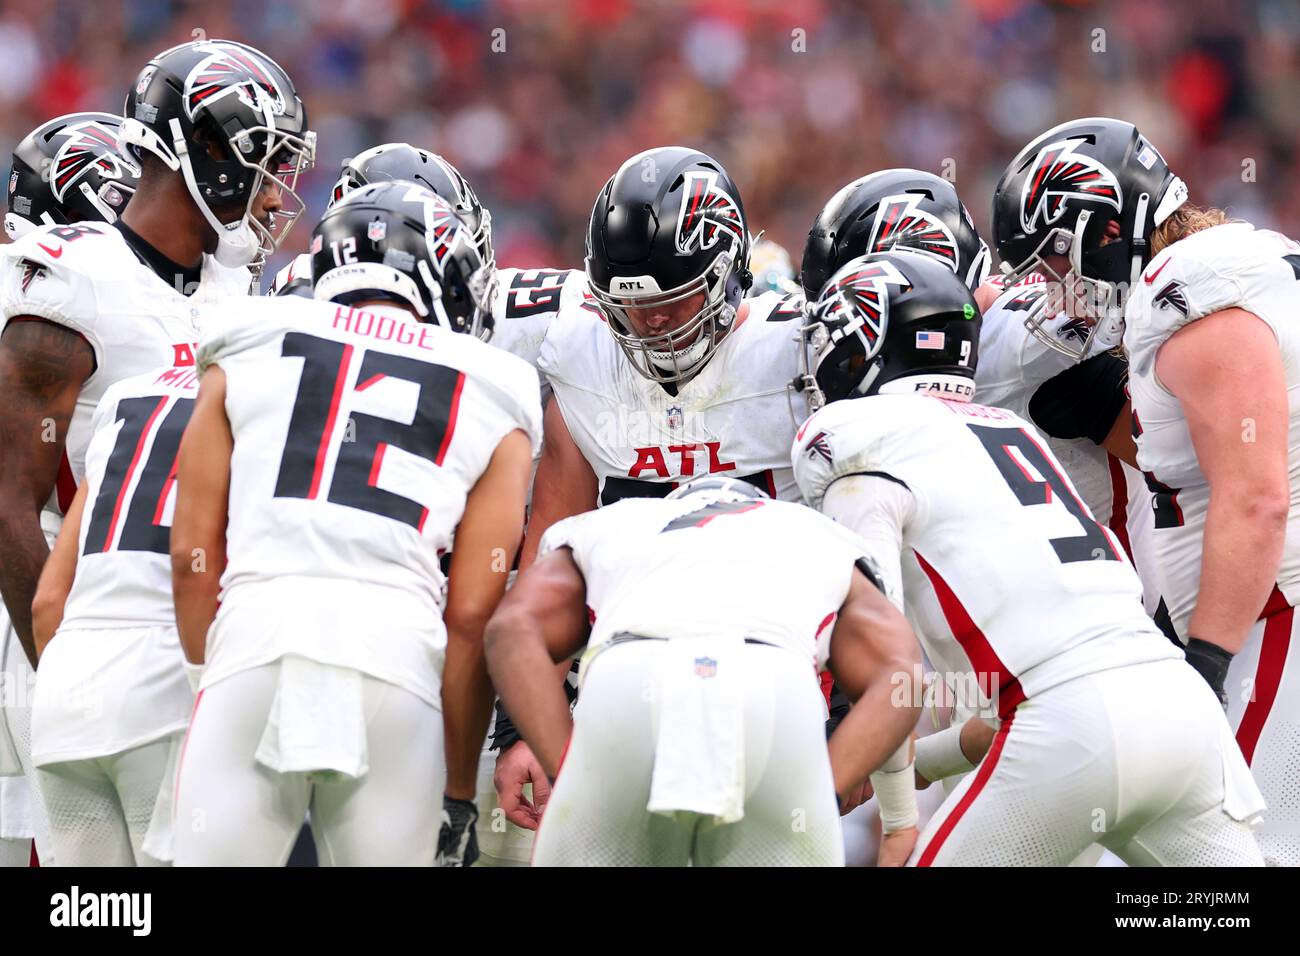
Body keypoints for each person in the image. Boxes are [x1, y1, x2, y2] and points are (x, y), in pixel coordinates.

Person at [792, 249, 1265, 866]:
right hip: (1176, 706)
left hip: (1061, 723)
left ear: (865, 344)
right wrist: (919, 769)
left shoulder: (857, 441)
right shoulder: (1006, 430)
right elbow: (1003, 718)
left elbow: (885, 667)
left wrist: (899, 822)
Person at [0, 39, 311, 866]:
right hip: (81, 624)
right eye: (267, 161)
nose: (280, 190)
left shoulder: (240, 296)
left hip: (201, 636)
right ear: (202, 148)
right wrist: (65, 660)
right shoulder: (79, 276)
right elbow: (9, 497)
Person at [170, 181, 540, 866]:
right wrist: (458, 789)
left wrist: (211, 676)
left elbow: (193, 551)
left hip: (256, 634)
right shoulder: (497, 384)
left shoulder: (246, 338)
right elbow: (470, 615)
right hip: (396, 659)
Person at [997, 115, 1300, 866]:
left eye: (1051, 263)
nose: (1049, 291)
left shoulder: (1192, 291)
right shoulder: (1220, 274)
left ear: (1103, 228)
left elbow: (1257, 498)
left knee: (1248, 854)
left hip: (1276, 612)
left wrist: (1206, 663)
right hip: (1263, 614)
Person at [489, 145, 814, 842]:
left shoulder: (798, 346)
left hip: (775, 658)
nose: (652, 327)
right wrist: (524, 722)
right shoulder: (577, 345)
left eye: (675, 303)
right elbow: (550, 542)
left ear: (729, 274)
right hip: (624, 668)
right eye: (631, 311)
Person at [485, 476, 921, 866]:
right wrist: (822, 788)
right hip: (771, 685)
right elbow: (902, 677)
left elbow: (509, 631)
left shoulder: (611, 523)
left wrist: (568, 768)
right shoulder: (824, 535)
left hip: (631, 676)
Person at [29, 362, 201, 865]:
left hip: (65, 696)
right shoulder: (263, 397)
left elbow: (47, 604)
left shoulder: (126, 397)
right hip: (166, 684)